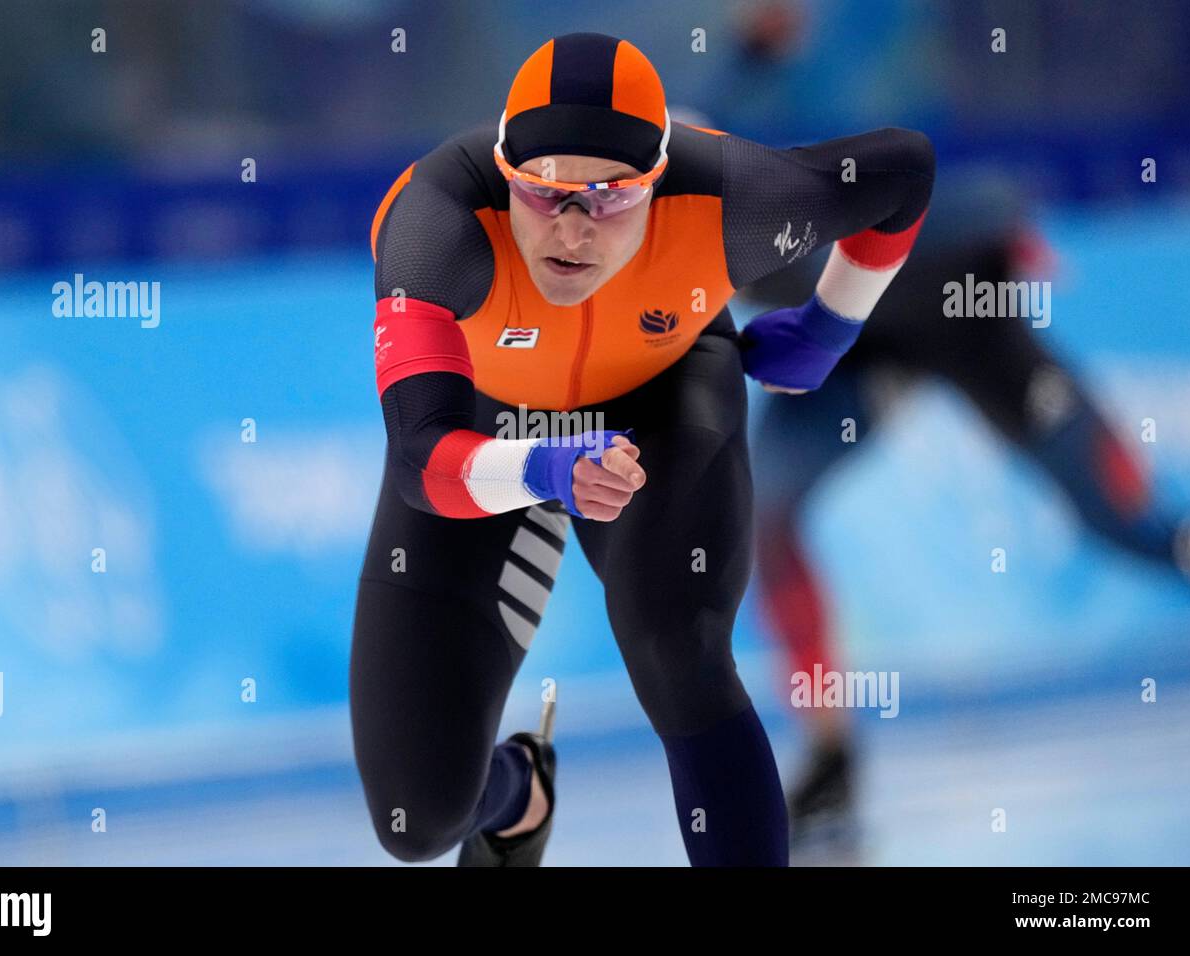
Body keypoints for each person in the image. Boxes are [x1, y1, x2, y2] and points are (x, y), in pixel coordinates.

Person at [350, 31, 934, 867]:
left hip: (660, 395)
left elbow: (903, 171)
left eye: (613, 198)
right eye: (547, 194)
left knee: (679, 649)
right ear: (506, 175)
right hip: (487, 424)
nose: (575, 231)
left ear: (661, 183)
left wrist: (828, 327)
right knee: (416, 821)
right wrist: (549, 466)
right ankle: (518, 793)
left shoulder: (732, 197)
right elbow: (421, 461)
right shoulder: (436, 223)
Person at [741, 172, 1190, 845]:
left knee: (1127, 524)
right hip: (864, 349)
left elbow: (991, 206)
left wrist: (1008, 239)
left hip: (969, 321)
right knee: (766, 516)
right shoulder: (742, 255)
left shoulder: (793, 224)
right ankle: (830, 754)